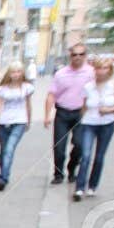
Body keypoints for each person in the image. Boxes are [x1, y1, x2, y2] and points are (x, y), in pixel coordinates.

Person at [75, 56, 114, 200]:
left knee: (99, 156)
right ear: (94, 69)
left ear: (109, 70)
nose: (101, 71)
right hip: (89, 123)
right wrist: (81, 121)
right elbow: (83, 107)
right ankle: (79, 188)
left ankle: (92, 186)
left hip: (107, 124)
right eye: (98, 68)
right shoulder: (88, 86)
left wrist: (110, 110)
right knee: (85, 155)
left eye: (104, 68)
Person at [44, 42, 93, 186]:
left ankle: (72, 168)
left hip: (81, 114)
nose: (77, 57)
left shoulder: (91, 73)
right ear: (70, 56)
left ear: (85, 56)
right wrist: (47, 115)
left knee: (79, 145)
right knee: (59, 147)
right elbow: (51, 95)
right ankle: (58, 174)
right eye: (74, 54)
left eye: (81, 54)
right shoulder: (61, 74)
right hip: (63, 113)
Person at [0, 62, 36, 191]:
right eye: (13, 72)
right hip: (4, 123)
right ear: (9, 74)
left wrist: (29, 121)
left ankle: (3, 178)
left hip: (19, 122)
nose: (15, 75)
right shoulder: (2, 89)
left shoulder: (27, 88)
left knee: (9, 149)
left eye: (18, 72)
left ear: (22, 73)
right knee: (4, 151)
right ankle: (3, 172)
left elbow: (28, 105)